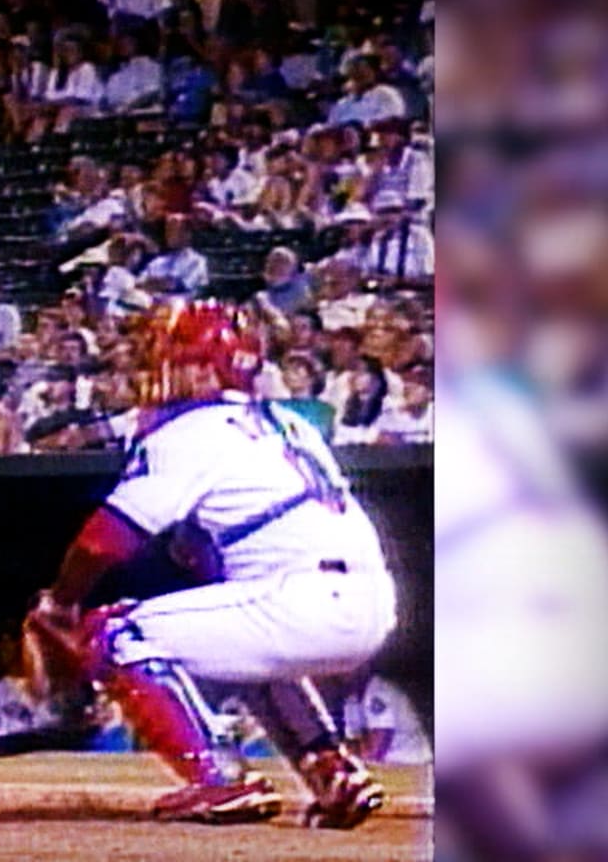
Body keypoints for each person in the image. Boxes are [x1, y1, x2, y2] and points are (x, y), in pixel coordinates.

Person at [20, 299, 395, 827]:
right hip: (365, 596)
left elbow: (106, 539)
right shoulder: (288, 423)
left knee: (116, 633)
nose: (165, 370)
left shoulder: (192, 430)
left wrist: (60, 602)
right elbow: (208, 552)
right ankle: (333, 772)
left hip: (302, 596)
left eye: (178, 358)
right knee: (249, 645)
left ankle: (218, 777)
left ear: (205, 366)